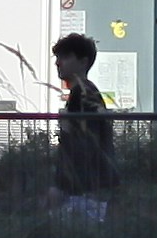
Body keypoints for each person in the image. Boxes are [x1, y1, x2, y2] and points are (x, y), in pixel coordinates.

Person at [46, 31, 117, 217]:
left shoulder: (83, 94)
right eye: (58, 57)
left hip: (84, 190)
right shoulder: (84, 92)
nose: (58, 62)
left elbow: (84, 144)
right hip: (89, 188)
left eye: (66, 57)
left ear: (83, 62)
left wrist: (64, 185)